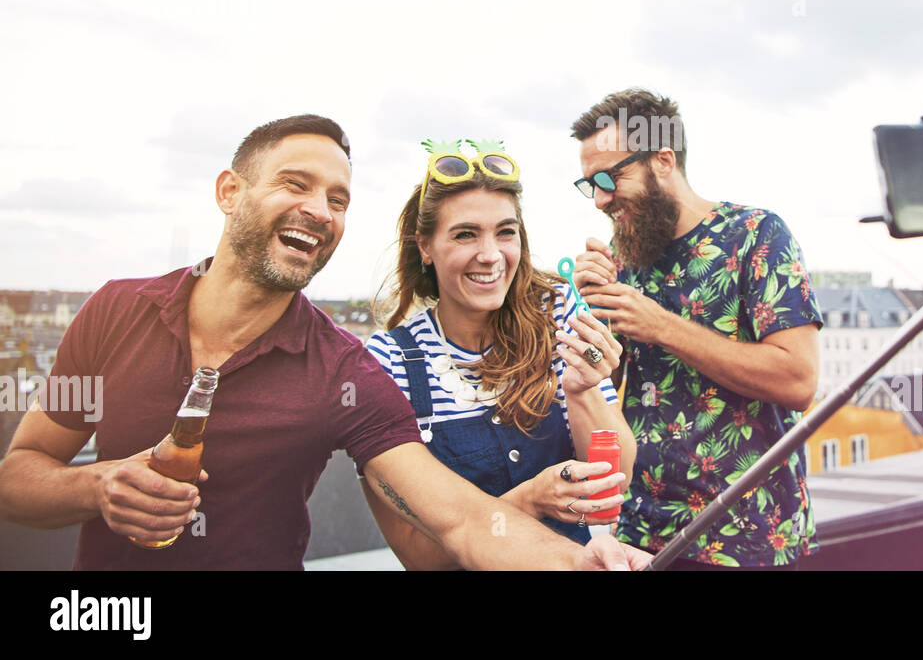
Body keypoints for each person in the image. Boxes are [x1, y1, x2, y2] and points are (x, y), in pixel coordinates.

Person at [0, 115, 648, 571]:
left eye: (338, 198)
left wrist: (581, 561)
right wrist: (100, 486)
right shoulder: (114, 309)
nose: (321, 209)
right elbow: (19, 474)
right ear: (230, 191)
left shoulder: (345, 371)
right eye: (296, 183)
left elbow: (462, 521)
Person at [569, 90, 823, 569]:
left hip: (750, 541)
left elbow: (798, 381)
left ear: (662, 159)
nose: (601, 199)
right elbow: (608, 393)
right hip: (641, 538)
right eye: (590, 185)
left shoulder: (756, 234)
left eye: (610, 177)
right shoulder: (621, 255)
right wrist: (593, 316)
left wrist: (662, 326)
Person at [362, 138, 636, 568]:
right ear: (425, 246)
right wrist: (531, 498)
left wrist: (581, 391)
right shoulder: (388, 363)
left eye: (505, 232)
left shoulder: (558, 312)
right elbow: (420, 556)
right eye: (465, 234)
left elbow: (618, 476)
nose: (490, 256)